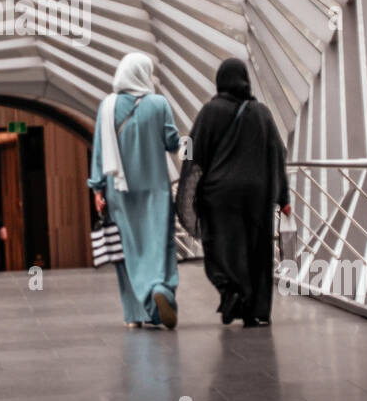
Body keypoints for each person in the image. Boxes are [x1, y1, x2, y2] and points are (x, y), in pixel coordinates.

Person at [180, 58, 290, 328]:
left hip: (220, 194)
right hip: (257, 193)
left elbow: (193, 149)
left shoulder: (210, 112)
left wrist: (189, 175)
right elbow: (278, 152)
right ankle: (256, 309)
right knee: (257, 248)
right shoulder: (261, 112)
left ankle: (231, 291)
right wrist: (283, 197)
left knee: (221, 245)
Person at [88, 52, 181, 328]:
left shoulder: (107, 106)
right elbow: (173, 142)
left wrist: (97, 189)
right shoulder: (158, 104)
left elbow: (99, 151)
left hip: (120, 193)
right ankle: (160, 289)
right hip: (156, 190)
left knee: (127, 247)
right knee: (159, 245)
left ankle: (136, 314)